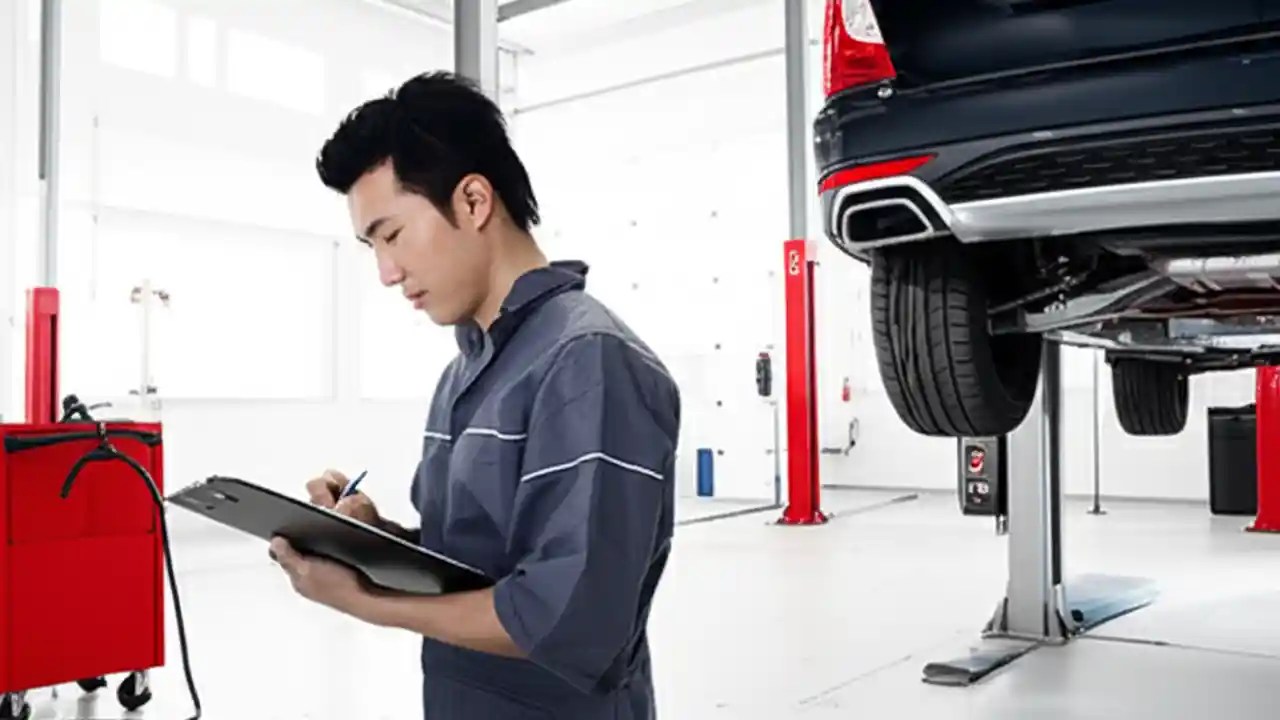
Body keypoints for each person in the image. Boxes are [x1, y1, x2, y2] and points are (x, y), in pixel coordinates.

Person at [266, 70, 681, 719]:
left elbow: (570, 618)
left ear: (474, 201)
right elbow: (474, 565)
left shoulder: (590, 362)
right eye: (372, 246)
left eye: (393, 235)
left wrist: (366, 600)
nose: (386, 272)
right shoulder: (465, 374)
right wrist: (376, 538)